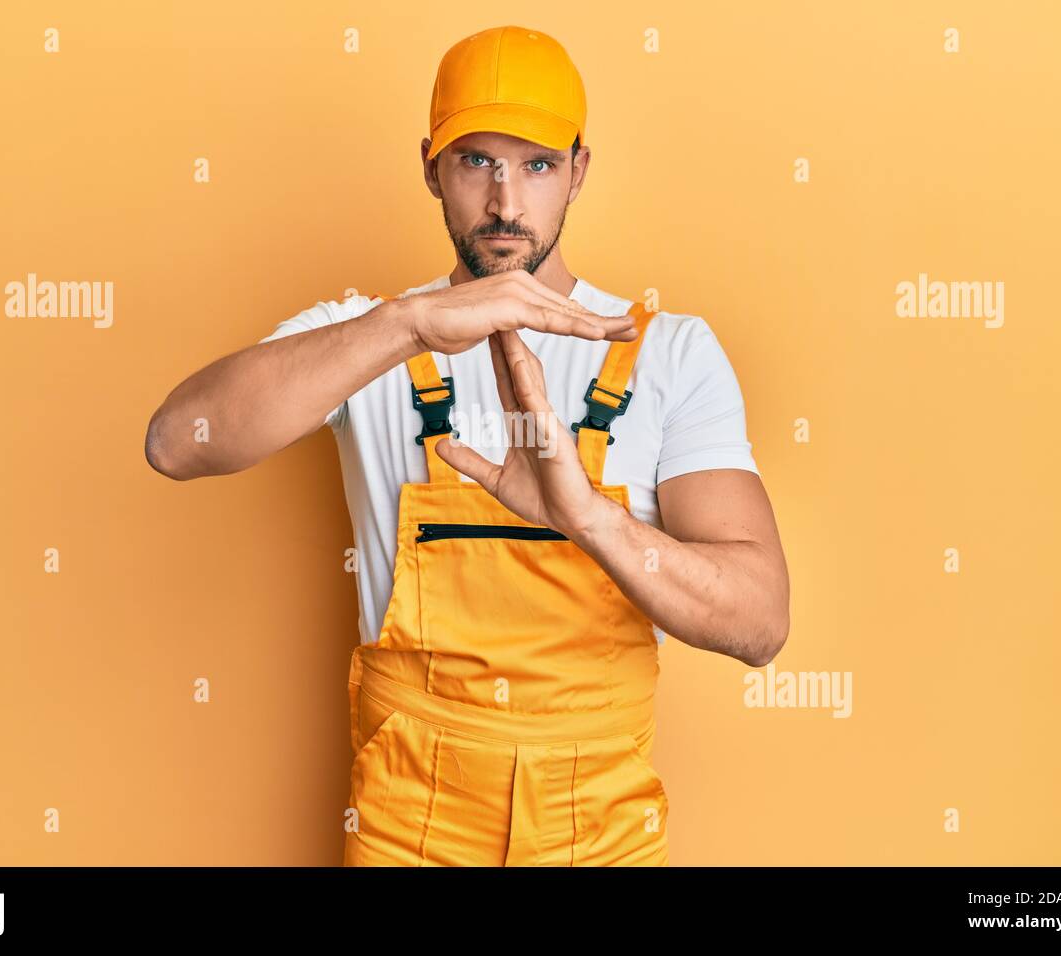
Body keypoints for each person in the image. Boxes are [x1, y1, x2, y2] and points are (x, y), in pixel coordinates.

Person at [144, 24, 790, 866]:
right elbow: (177, 441)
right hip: (410, 824)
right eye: (476, 161)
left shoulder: (669, 351)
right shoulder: (363, 334)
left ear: (579, 170)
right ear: (429, 167)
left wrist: (588, 519)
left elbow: (760, 624)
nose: (507, 205)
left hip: (600, 829)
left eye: (537, 165)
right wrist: (406, 325)